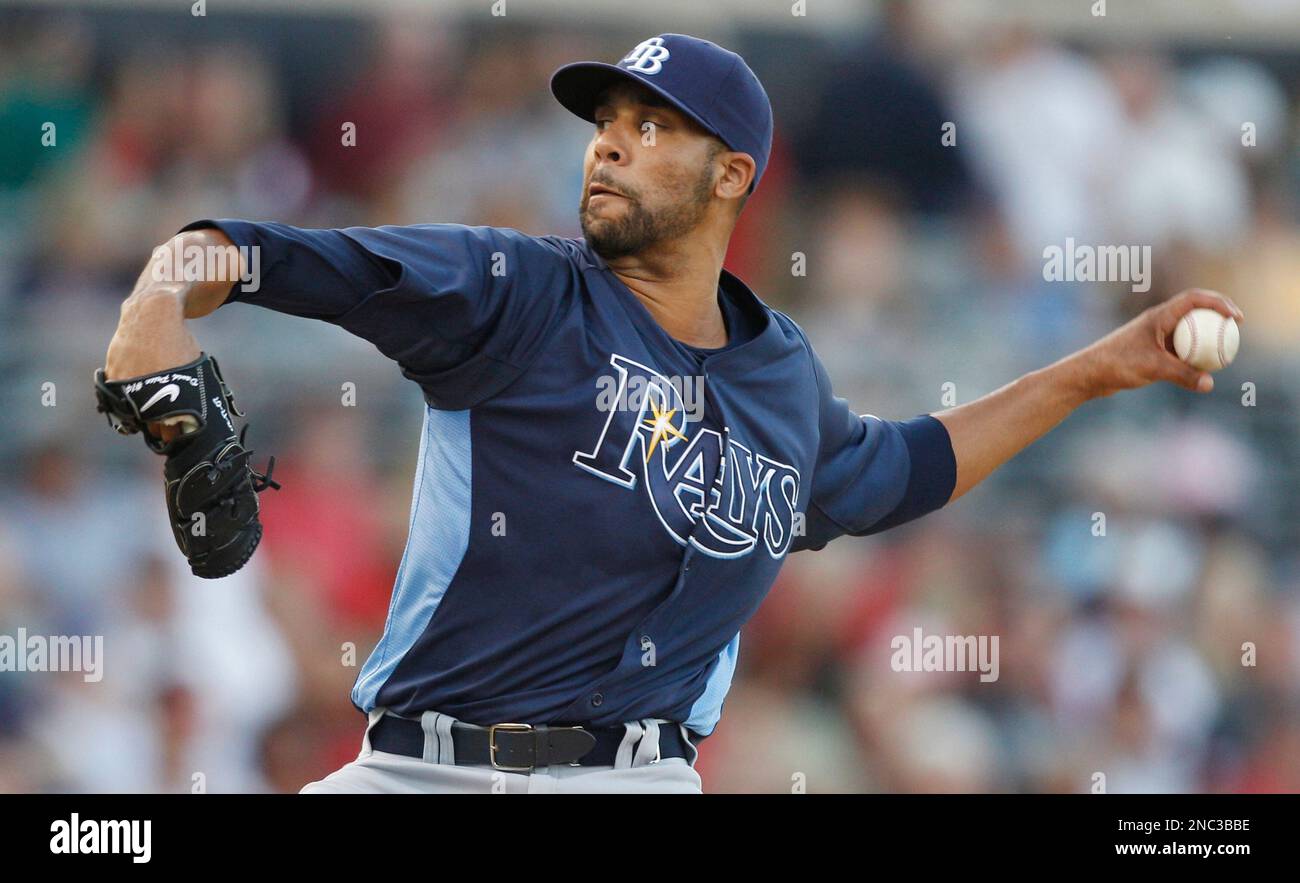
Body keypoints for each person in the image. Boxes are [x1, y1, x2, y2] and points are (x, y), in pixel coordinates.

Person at [101, 34, 1242, 794]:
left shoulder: (781, 379)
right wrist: (160, 295)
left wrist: (1099, 368)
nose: (608, 139)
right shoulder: (513, 291)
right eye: (606, 119)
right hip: (421, 773)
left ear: (732, 176)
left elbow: (901, 471)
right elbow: (267, 256)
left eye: (653, 126)